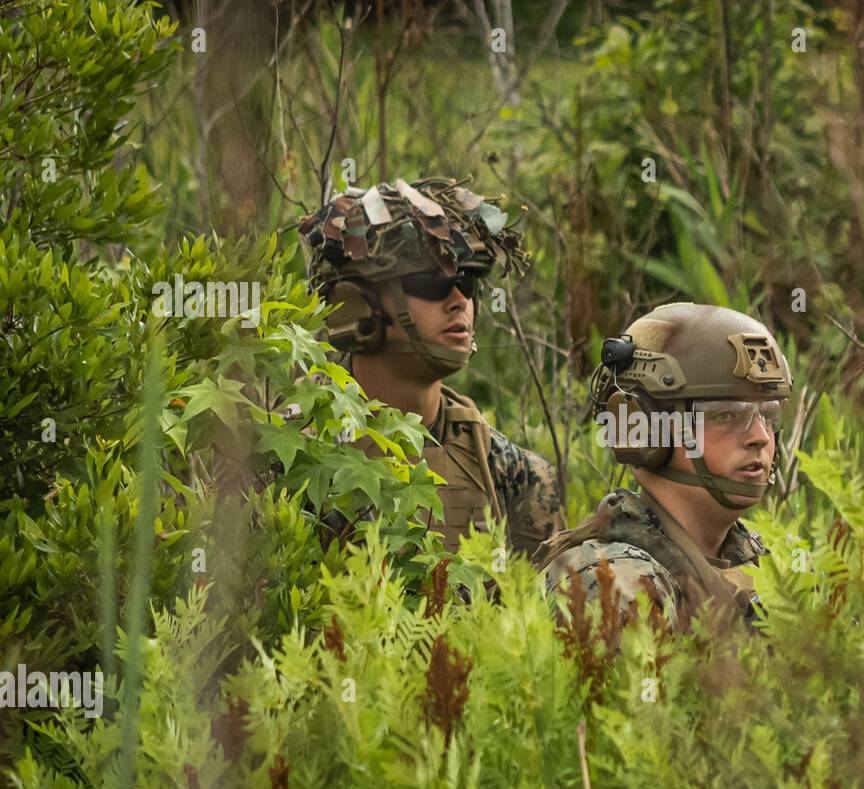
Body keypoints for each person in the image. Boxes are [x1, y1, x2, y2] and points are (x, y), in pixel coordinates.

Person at [298, 176, 564, 562]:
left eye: (467, 280)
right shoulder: (292, 460)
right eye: (431, 281)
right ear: (355, 303)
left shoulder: (514, 474)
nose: (460, 300)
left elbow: (551, 616)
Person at [539, 302, 792, 632]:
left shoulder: (774, 569)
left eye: (767, 416)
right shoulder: (610, 581)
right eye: (726, 415)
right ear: (641, 429)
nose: (760, 438)